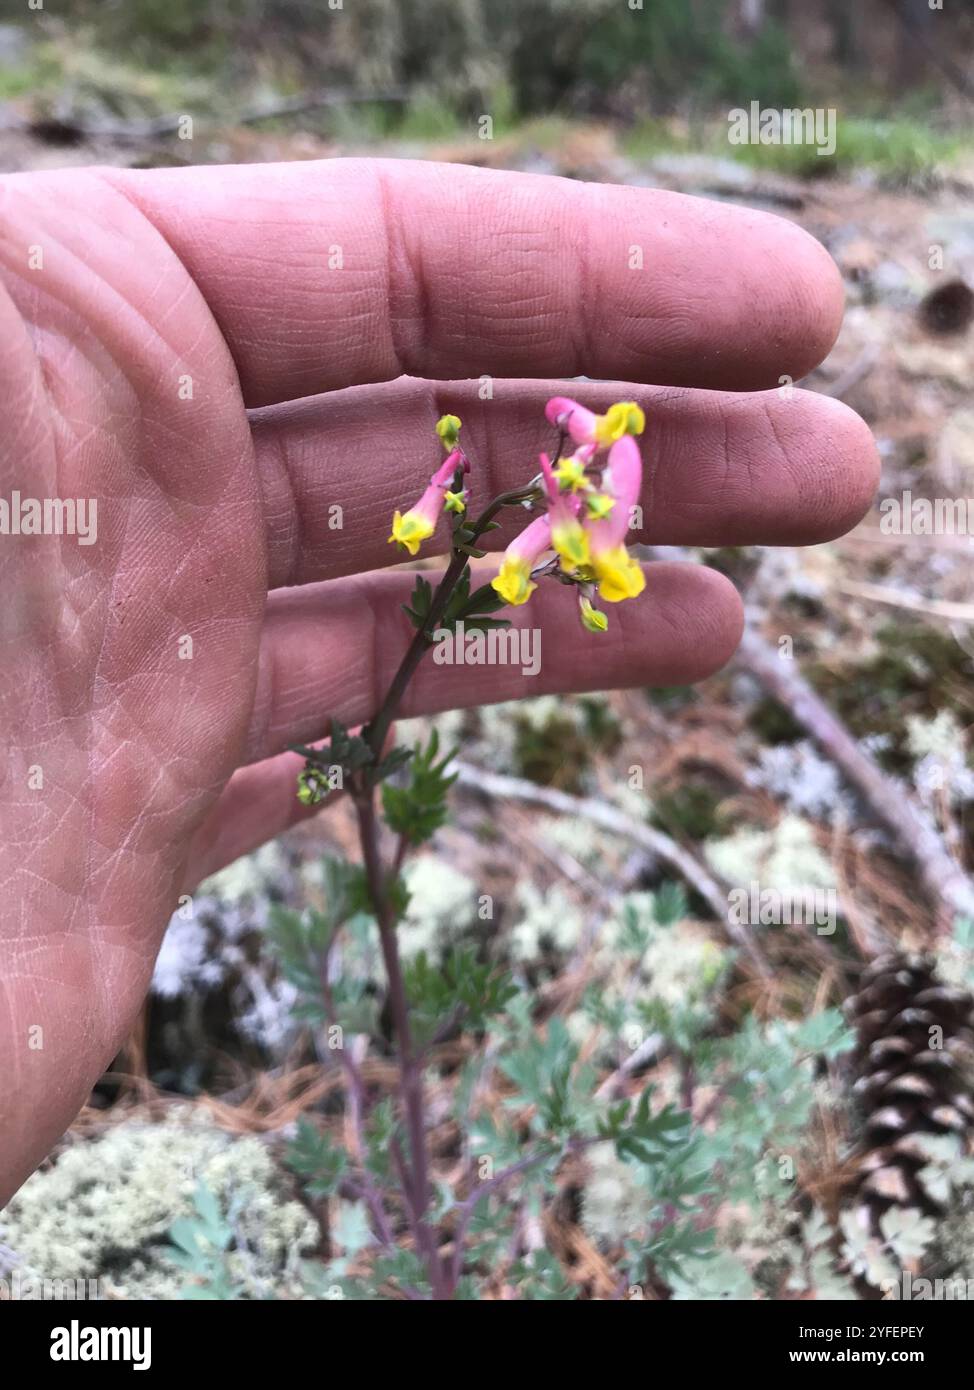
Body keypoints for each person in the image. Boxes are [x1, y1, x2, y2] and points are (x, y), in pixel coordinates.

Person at [0, 158, 879, 1204]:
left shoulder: (572, 501)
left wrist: (567, 505)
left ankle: (451, 1176)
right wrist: (516, 505)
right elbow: (525, 515)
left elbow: (567, 510)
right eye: (585, 494)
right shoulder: (521, 502)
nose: (586, 502)